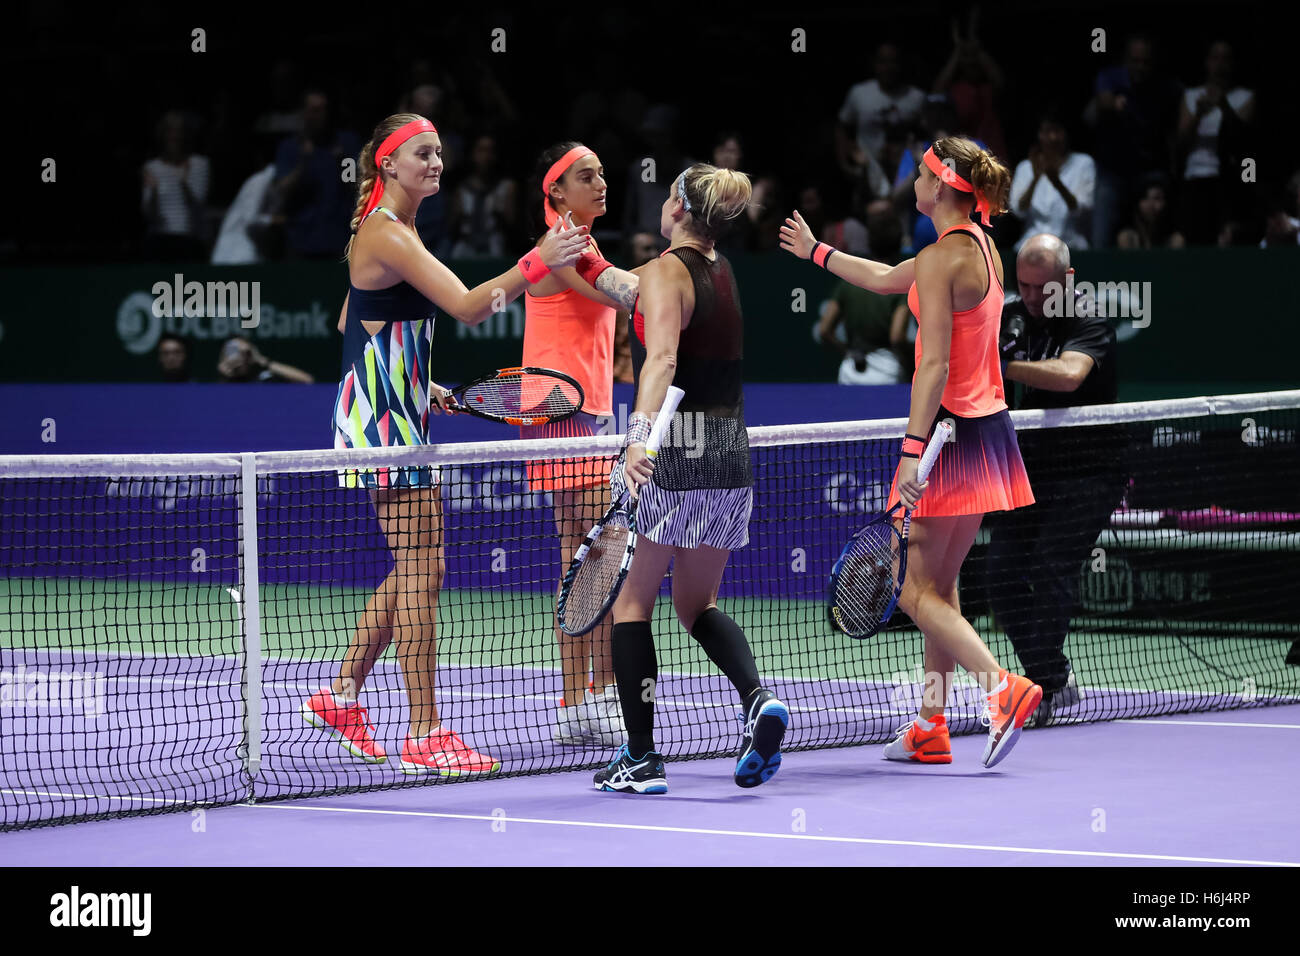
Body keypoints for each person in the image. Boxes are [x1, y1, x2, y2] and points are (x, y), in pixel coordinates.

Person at [299, 113, 588, 777]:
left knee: (415, 566)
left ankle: (342, 694)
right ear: (389, 164)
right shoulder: (385, 231)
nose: (436, 163)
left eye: (439, 154)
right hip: (382, 423)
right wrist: (539, 260)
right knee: (425, 571)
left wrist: (413, 377)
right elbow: (468, 306)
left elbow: (352, 316)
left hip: (391, 407)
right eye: (423, 154)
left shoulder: (393, 230)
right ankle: (425, 732)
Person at [781, 136, 1041, 769]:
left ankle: (1001, 687)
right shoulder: (978, 248)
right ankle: (930, 723)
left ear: (941, 185)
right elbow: (882, 278)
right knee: (940, 587)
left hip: (945, 436)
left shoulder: (939, 256)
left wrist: (910, 453)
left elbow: (932, 369)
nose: (912, 183)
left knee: (909, 591)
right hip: (988, 433)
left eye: (920, 174)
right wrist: (817, 251)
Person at [564, 163, 791, 794]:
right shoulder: (719, 270)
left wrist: (639, 440)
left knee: (632, 606)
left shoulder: (666, 271)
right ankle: (757, 698)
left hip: (677, 451)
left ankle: (640, 757)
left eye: (667, 196)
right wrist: (566, 248)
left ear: (678, 211)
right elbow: (618, 287)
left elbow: (661, 356)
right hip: (729, 451)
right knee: (696, 606)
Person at [989, 234, 1125, 726]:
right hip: (1033, 464)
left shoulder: (1090, 320)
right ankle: (1053, 677)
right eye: (1021, 285)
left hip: (1091, 470)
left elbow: (1069, 376)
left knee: (1050, 566)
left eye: (1039, 288)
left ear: (1066, 281)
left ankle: (1041, 690)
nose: (1029, 296)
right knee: (999, 575)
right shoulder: (1014, 315)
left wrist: (1000, 366)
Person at [519, 141, 627, 747]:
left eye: (604, 172)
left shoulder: (582, 242)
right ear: (557, 192)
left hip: (586, 416)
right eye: (588, 175)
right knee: (599, 555)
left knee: (584, 556)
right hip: (564, 416)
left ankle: (579, 701)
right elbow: (622, 293)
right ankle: (594, 697)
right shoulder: (563, 248)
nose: (602, 182)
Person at [817, 210, 910, 384]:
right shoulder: (901, 286)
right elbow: (897, 336)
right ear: (898, 245)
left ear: (870, 243)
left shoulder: (847, 283)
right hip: (888, 371)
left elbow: (824, 330)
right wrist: (912, 363)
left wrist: (848, 352)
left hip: (850, 371)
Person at [1177, 41, 1255, 245]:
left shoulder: (1245, 96)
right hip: (1195, 177)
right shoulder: (1191, 95)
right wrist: (1198, 115)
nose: (1220, 65)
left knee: (1226, 240)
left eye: (1225, 59)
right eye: (1215, 58)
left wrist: (1223, 105)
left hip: (1228, 180)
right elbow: (1181, 143)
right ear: (1206, 62)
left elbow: (1241, 139)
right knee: (1195, 240)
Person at [1010, 115, 1095, 251]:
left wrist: (1057, 183)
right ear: (1039, 135)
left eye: (1057, 131)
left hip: (1071, 245)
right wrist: (1035, 180)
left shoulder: (1084, 163)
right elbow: (1019, 211)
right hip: (1032, 246)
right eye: (1047, 131)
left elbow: (1082, 209)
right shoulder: (1025, 167)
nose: (1053, 138)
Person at [141, 111, 211, 261]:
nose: (174, 137)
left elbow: (199, 205)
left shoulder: (199, 164)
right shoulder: (152, 167)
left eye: (179, 131)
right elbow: (149, 215)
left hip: (190, 240)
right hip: (160, 240)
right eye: (170, 131)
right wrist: (153, 193)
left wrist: (184, 183)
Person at [1116, 176, 1185, 249]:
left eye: (1158, 199)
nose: (1151, 205)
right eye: (1145, 198)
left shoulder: (1172, 233)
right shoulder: (1129, 233)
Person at [216, 336, 314, 383]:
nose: (239, 357)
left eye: (245, 353)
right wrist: (223, 378)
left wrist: (263, 361)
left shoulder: (265, 378)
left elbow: (307, 381)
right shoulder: (221, 383)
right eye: (232, 351)